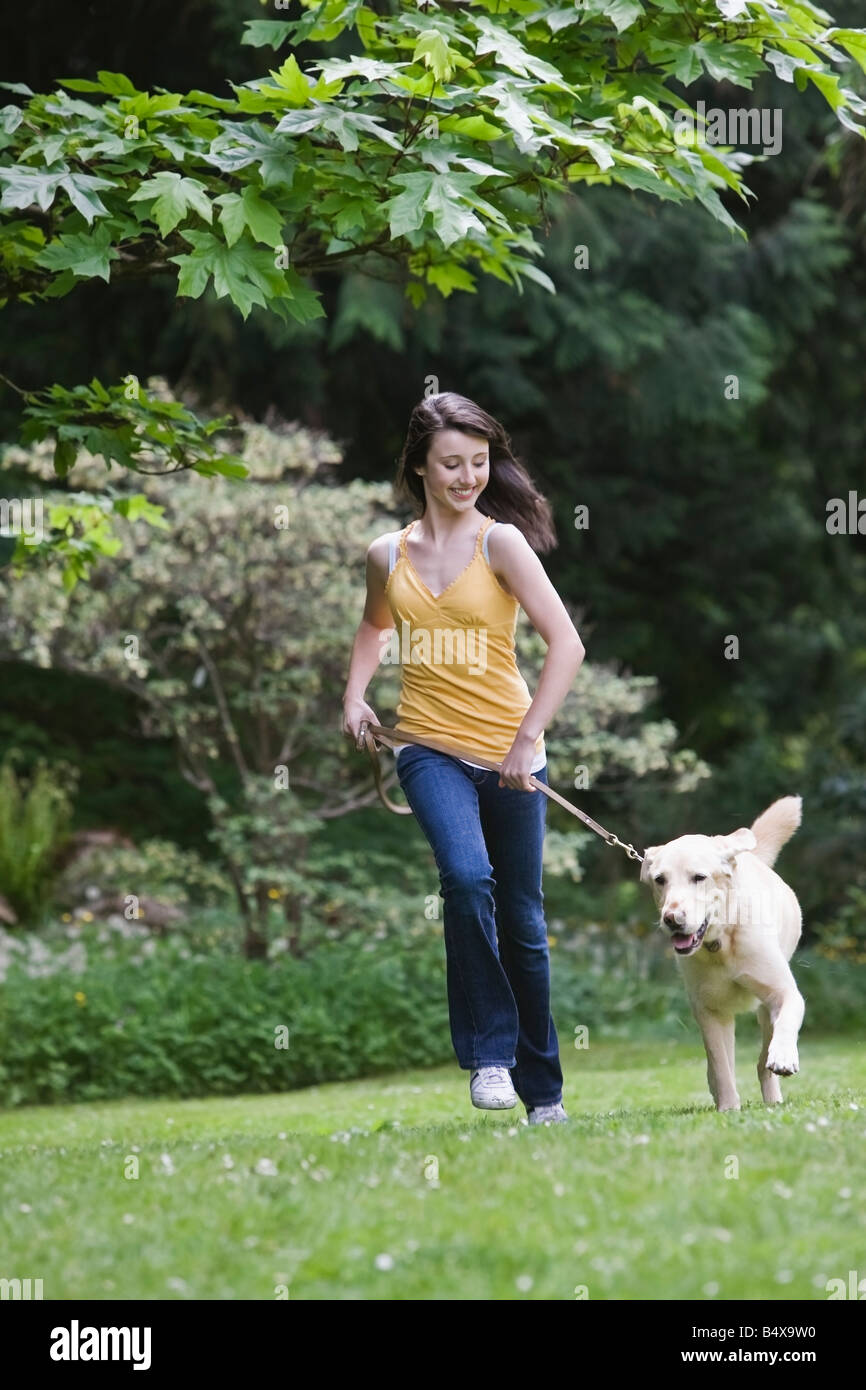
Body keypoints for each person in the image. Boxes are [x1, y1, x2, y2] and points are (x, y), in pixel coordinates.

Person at [341, 392, 585, 1123]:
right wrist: (354, 697)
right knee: (465, 878)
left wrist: (523, 743)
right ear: (418, 465)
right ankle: (488, 1056)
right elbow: (373, 626)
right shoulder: (387, 554)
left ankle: (544, 1096)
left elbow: (565, 644)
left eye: (479, 462)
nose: (468, 476)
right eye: (452, 463)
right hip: (427, 747)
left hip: (513, 754)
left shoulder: (500, 544)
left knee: (525, 926)